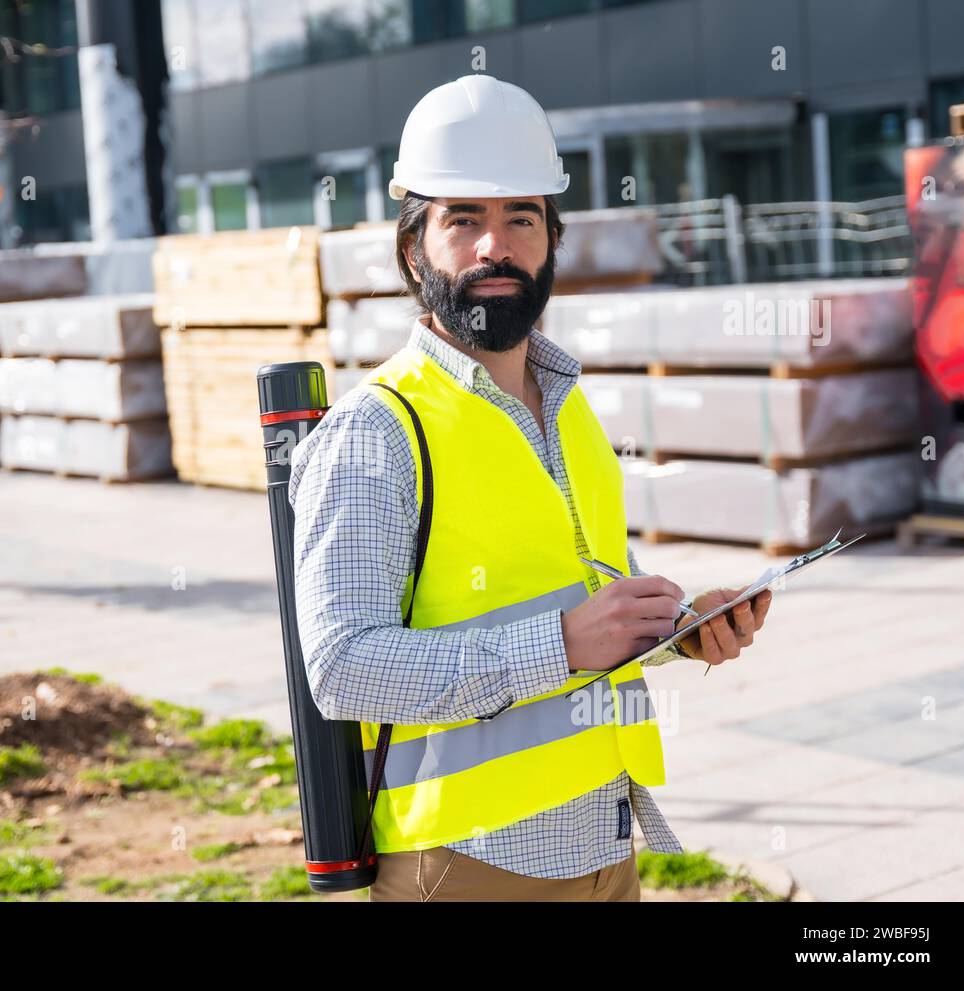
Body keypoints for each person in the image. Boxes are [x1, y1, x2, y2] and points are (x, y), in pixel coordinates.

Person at [288, 75, 772, 903]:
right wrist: (561, 645)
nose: (494, 246)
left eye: (520, 217)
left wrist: (677, 630)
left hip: (603, 838)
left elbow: (579, 602)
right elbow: (342, 666)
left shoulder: (570, 409)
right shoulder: (377, 431)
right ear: (414, 249)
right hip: (469, 866)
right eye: (463, 219)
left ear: (551, 239)